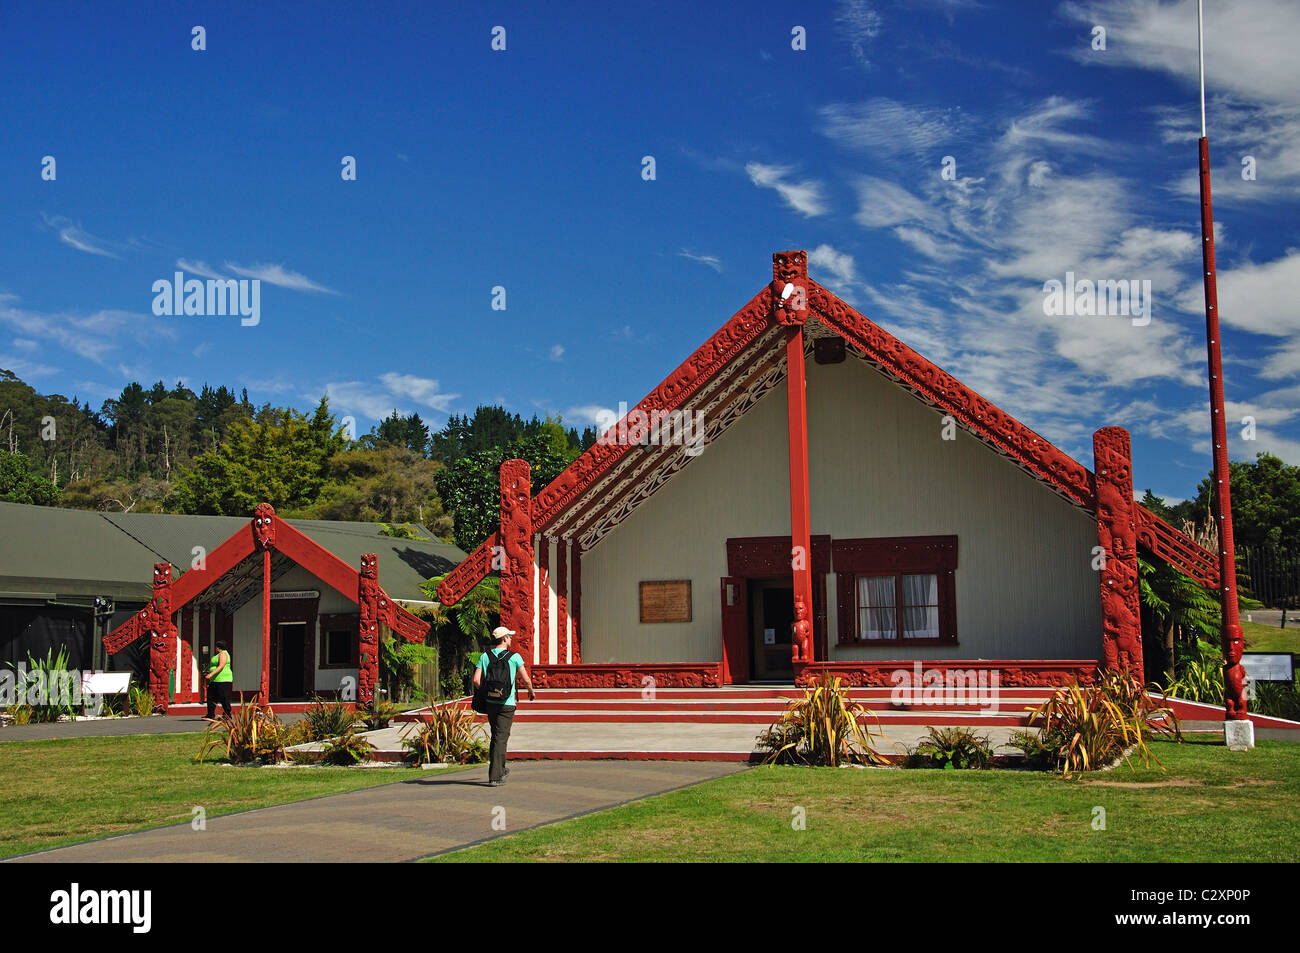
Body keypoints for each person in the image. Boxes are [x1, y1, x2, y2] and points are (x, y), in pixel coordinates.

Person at [472, 626, 535, 786]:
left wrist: (487, 692)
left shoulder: (485, 656)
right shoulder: (514, 657)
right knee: (501, 738)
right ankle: (495, 776)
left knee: (496, 736)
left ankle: (500, 769)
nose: (511, 639)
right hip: (507, 703)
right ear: (505, 639)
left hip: (491, 703)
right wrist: (531, 692)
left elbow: (476, 680)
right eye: (510, 636)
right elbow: (526, 679)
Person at [205, 640, 233, 719]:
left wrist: (211, 674)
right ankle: (210, 713)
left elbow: (221, 666)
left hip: (223, 679)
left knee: (223, 697)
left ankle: (227, 714)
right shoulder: (218, 655)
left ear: (218, 647)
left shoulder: (223, 654)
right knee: (211, 696)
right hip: (215, 680)